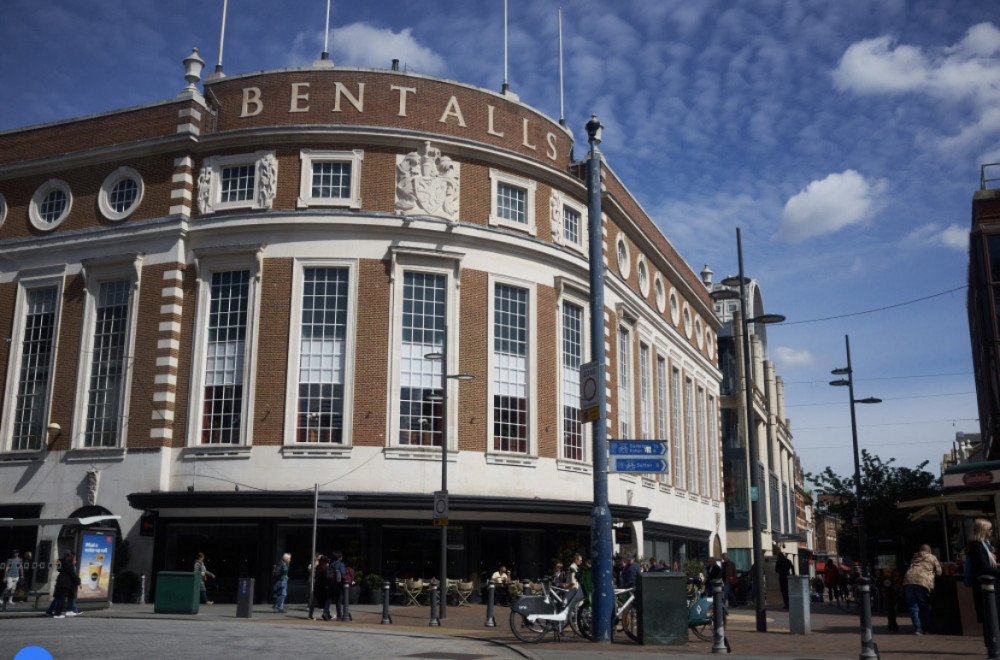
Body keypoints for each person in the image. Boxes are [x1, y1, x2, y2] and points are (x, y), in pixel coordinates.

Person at [902, 544, 942, 635]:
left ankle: (917, 629)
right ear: (929, 551)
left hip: (908, 581)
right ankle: (926, 629)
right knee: (924, 606)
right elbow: (939, 572)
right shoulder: (932, 557)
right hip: (922, 582)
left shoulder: (915, 557)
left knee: (913, 607)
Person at [966, 518, 1000, 622]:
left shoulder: (986, 544)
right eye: (989, 529)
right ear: (983, 530)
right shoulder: (977, 545)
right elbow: (983, 566)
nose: (991, 531)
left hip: (991, 581)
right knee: (990, 614)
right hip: (984, 583)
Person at [46, 551, 79, 618]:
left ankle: (50, 611)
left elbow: (59, 567)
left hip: (59, 582)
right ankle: (57, 614)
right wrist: (78, 582)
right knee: (62, 599)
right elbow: (73, 575)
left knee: (58, 598)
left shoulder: (62, 563)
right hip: (65, 584)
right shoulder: (69, 565)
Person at [307, 554, 330, 621]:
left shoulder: (318, 567)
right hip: (323, 587)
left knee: (314, 601)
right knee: (327, 600)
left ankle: (311, 615)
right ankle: (326, 613)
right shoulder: (325, 568)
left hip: (317, 586)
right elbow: (326, 578)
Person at [326, 551, 346, 621]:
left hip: (331, 584)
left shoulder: (330, 564)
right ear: (339, 558)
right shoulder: (341, 564)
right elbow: (343, 573)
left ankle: (325, 612)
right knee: (339, 599)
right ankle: (339, 615)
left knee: (330, 598)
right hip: (338, 584)